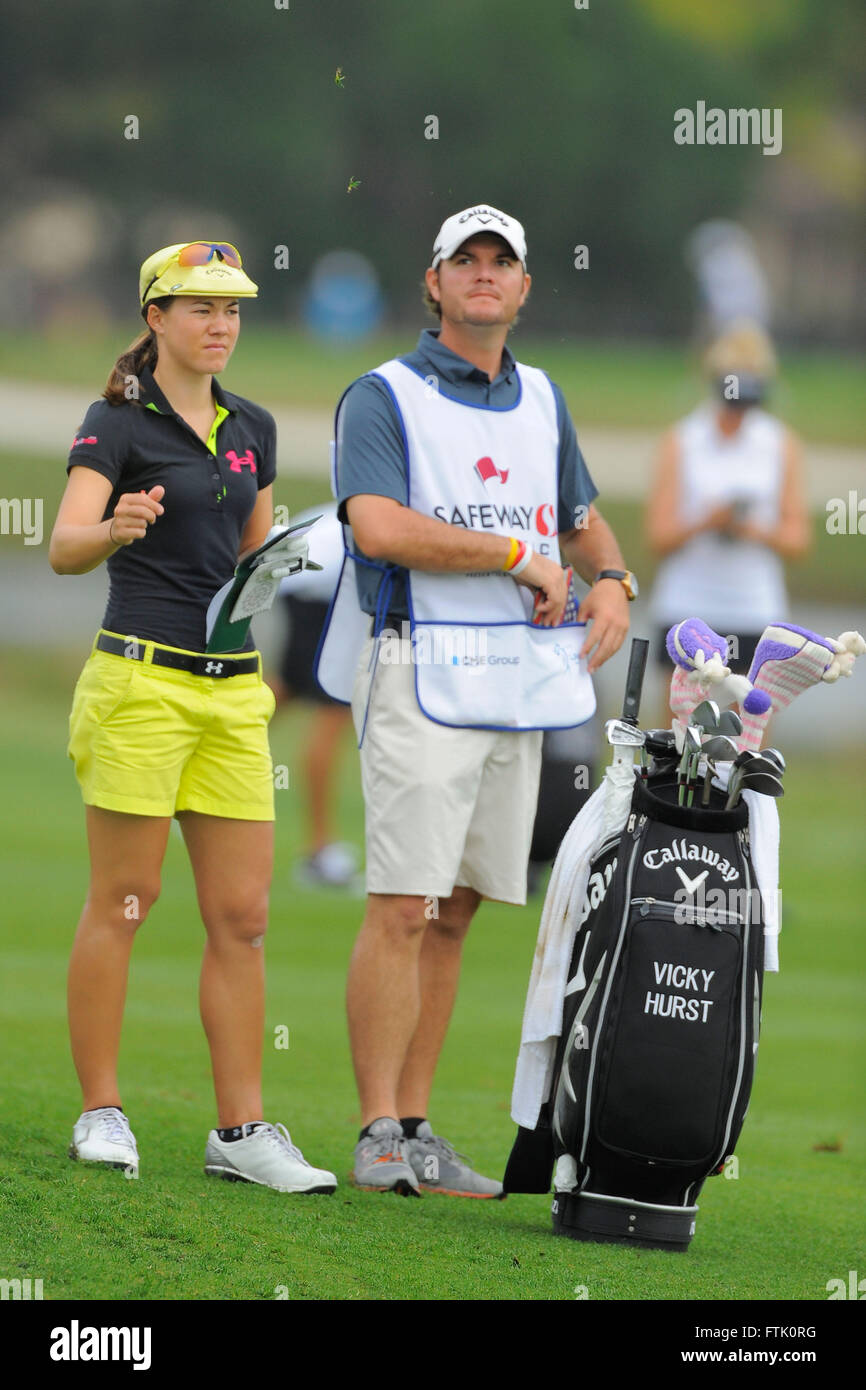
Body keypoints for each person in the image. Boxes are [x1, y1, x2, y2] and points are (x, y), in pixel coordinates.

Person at [316, 204, 636, 1198]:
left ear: (524, 287)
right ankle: (374, 1129)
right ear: (434, 281)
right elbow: (373, 526)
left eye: (502, 262)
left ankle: (414, 1127)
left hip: (516, 681)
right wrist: (512, 555)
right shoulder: (382, 395)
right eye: (467, 260)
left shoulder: (541, 396)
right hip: (418, 668)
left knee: (455, 910)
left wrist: (615, 576)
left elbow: (576, 518)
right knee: (402, 904)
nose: (485, 274)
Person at [49, 240, 336, 1194]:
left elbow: (251, 563)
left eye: (234, 311)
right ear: (156, 320)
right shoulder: (115, 423)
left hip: (230, 690)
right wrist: (115, 528)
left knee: (245, 917)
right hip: (140, 683)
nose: (222, 326)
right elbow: (62, 547)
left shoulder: (251, 424)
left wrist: (290, 556)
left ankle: (241, 1130)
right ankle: (101, 1109)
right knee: (128, 900)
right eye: (202, 309)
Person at [646, 320, 812, 679]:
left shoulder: (780, 444)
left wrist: (752, 529)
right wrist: (708, 522)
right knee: (681, 728)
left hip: (754, 608)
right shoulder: (683, 441)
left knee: (750, 727)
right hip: (687, 605)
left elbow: (798, 541)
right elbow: (658, 537)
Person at [268, 501, 359, 888]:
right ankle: (319, 851)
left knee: (282, 690)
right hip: (320, 589)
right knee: (334, 708)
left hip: (302, 579)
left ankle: (190, 774)